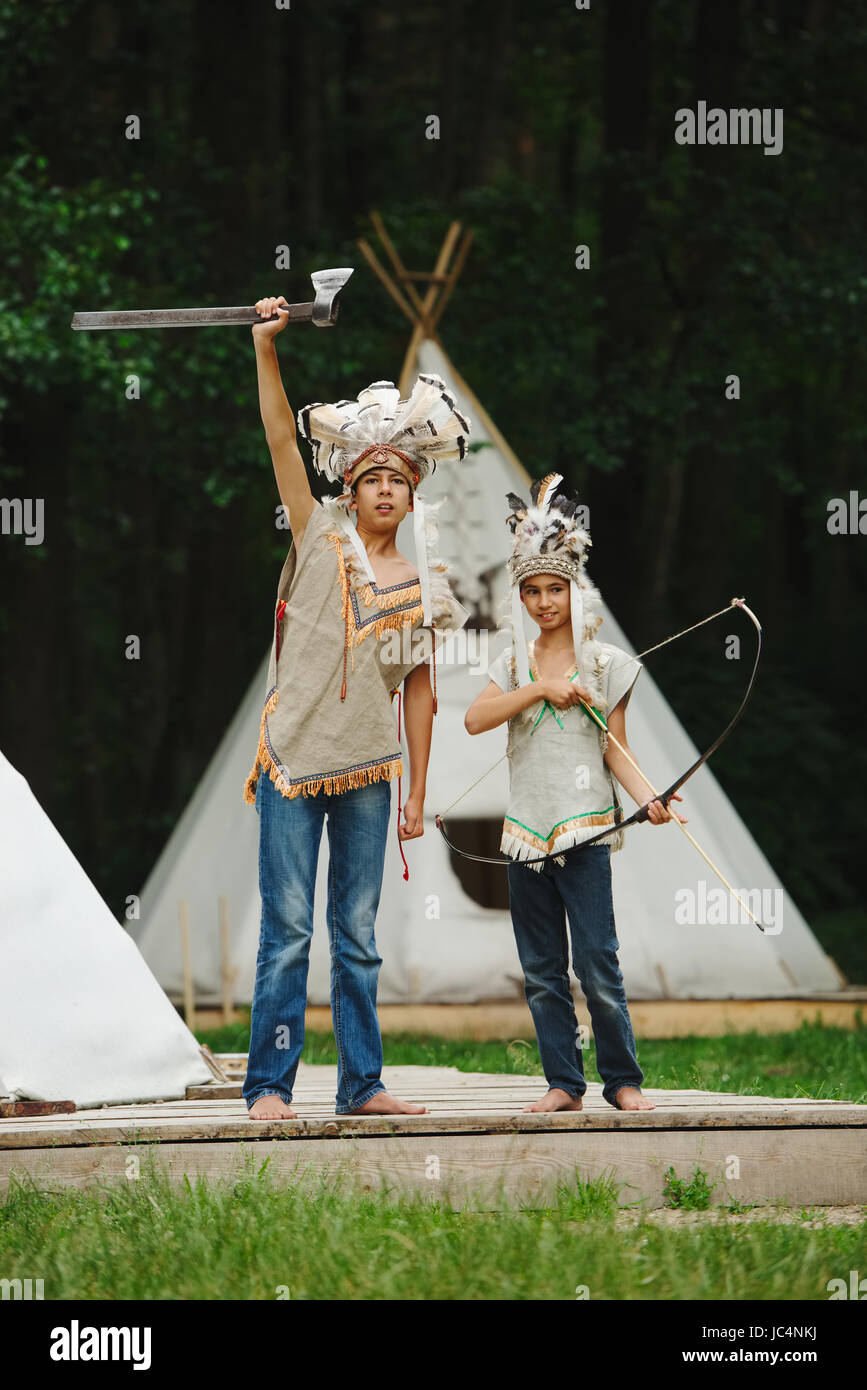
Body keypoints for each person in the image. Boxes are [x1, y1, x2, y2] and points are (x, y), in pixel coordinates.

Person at [243, 294, 469, 1120]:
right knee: (289, 931)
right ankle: (268, 1088)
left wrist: (417, 793)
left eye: (395, 480)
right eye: (370, 477)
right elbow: (280, 439)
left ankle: (362, 1085)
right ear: (350, 484)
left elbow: (420, 689)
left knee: (359, 937)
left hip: (371, 769)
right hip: (293, 760)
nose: (382, 490)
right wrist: (267, 349)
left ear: (412, 497)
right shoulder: (317, 533)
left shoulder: (424, 588)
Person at [464, 473, 685, 1113]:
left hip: (585, 832)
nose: (544, 602)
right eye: (531, 591)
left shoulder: (604, 664)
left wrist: (649, 799)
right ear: (520, 597)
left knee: (597, 964)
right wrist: (538, 688)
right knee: (541, 971)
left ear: (575, 589)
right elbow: (475, 719)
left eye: (555, 589)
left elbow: (616, 748)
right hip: (525, 836)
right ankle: (564, 1083)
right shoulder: (513, 664)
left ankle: (623, 1080)